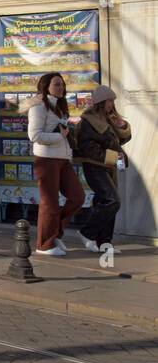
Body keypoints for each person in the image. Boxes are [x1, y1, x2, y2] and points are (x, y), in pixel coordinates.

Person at [26, 71, 84, 256]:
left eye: (62, 84)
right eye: (57, 84)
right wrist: (60, 136)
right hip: (46, 159)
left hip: (63, 159)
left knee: (78, 196)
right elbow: (34, 135)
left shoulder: (60, 107)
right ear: (46, 86)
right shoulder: (38, 107)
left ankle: (55, 233)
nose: (61, 87)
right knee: (49, 202)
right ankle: (44, 244)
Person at [72, 85, 131, 253]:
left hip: (110, 166)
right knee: (113, 201)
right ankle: (86, 233)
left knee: (103, 202)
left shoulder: (108, 118)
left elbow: (121, 140)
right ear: (100, 102)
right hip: (95, 166)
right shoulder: (88, 122)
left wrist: (122, 125)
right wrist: (113, 157)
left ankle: (104, 243)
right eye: (109, 101)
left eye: (112, 101)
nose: (112, 104)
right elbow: (87, 147)